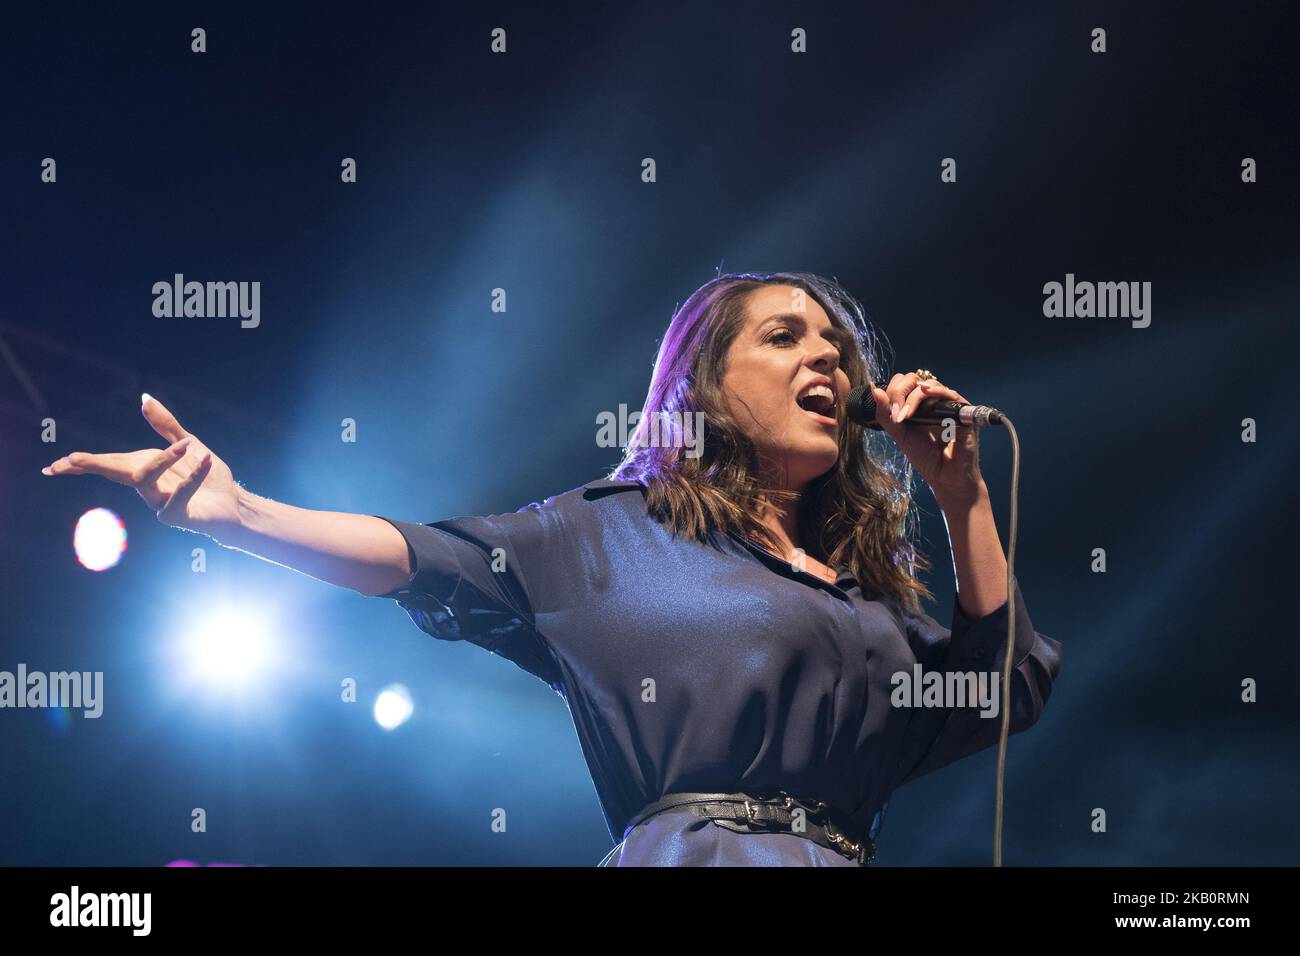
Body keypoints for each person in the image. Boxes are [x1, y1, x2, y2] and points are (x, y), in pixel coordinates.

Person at [41, 271, 1062, 866]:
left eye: (837, 347)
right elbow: (423, 556)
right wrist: (238, 513)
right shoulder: (615, 536)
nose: (828, 359)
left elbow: (1003, 681)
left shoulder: (866, 609)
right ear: (704, 388)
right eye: (785, 336)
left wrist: (960, 492)